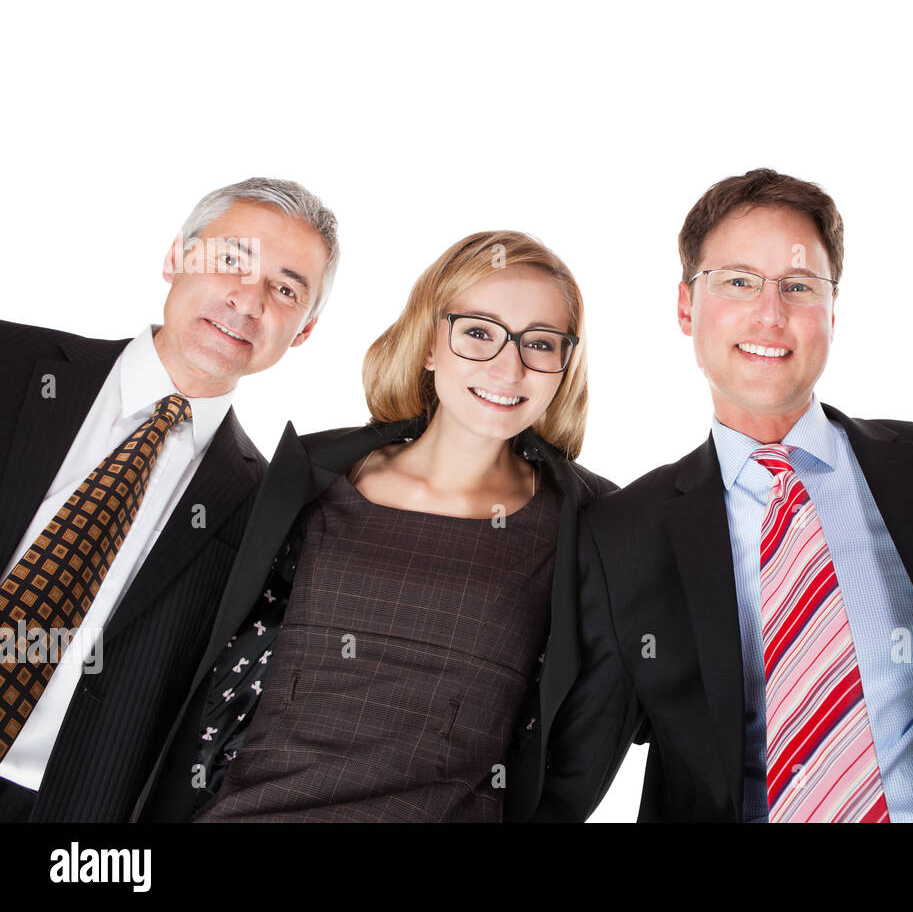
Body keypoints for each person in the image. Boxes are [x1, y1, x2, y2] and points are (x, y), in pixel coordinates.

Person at [536, 168, 913, 823]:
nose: (771, 314)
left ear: (832, 309)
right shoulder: (624, 535)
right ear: (686, 306)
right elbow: (568, 778)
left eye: (798, 286)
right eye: (738, 281)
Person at [136, 230, 613, 822]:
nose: (508, 366)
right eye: (479, 333)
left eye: (540, 343)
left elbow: (589, 733)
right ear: (429, 344)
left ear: (564, 364)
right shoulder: (305, 482)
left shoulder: (590, 525)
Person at [0, 177, 337, 822]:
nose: (248, 300)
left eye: (286, 289)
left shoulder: (270, 516)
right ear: (176, 258)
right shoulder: (12, 362)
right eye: (231, 261)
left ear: (303, 331)